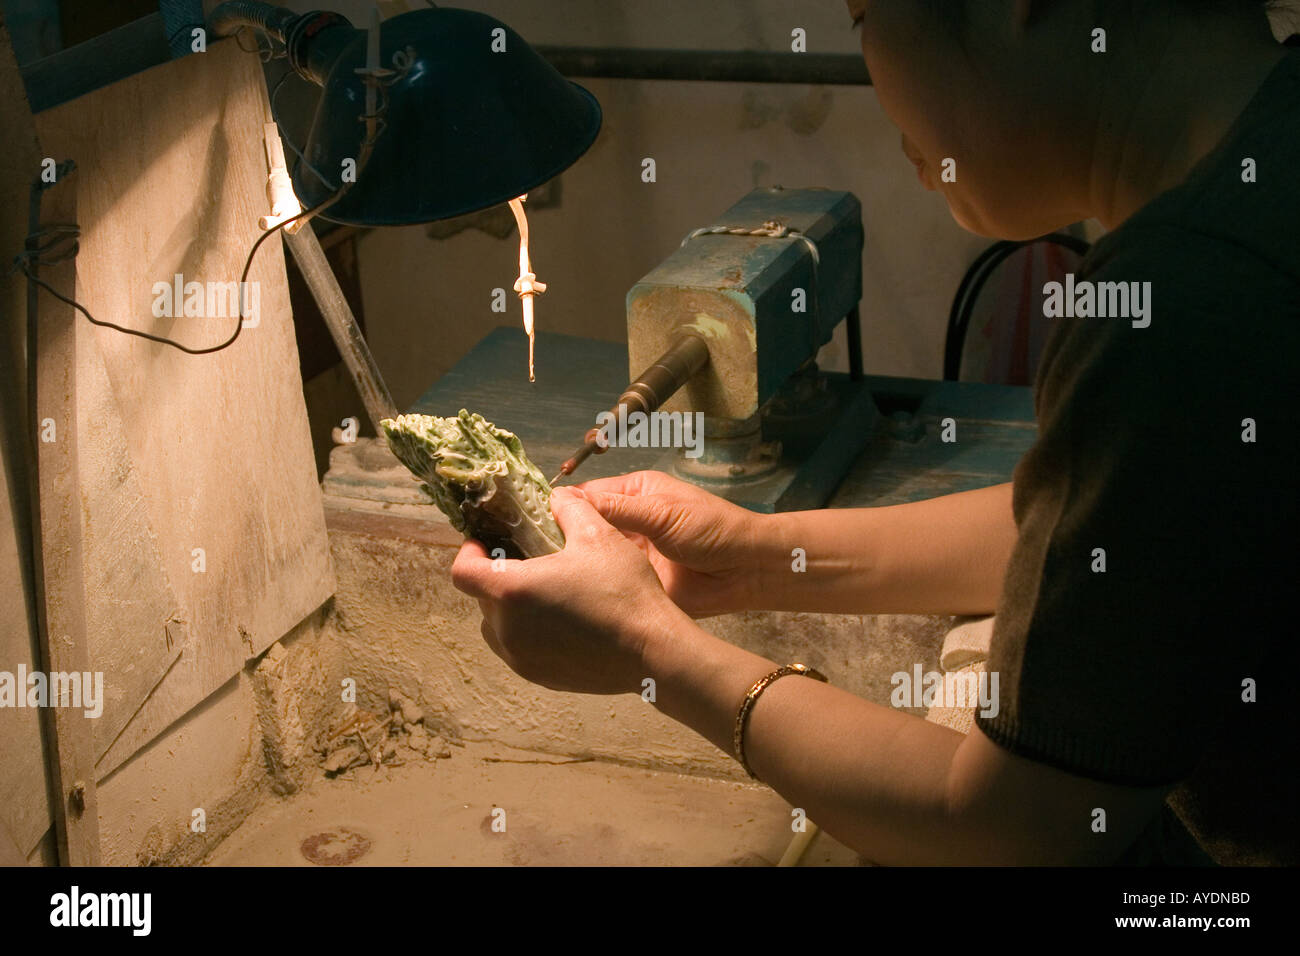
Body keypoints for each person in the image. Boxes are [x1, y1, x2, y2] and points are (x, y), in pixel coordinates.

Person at [453, 0, 1299, 865]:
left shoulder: (1194, 300)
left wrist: (648, 650)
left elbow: (1009, 831)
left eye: (863, 15)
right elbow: (1098, 533)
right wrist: (754, 555)